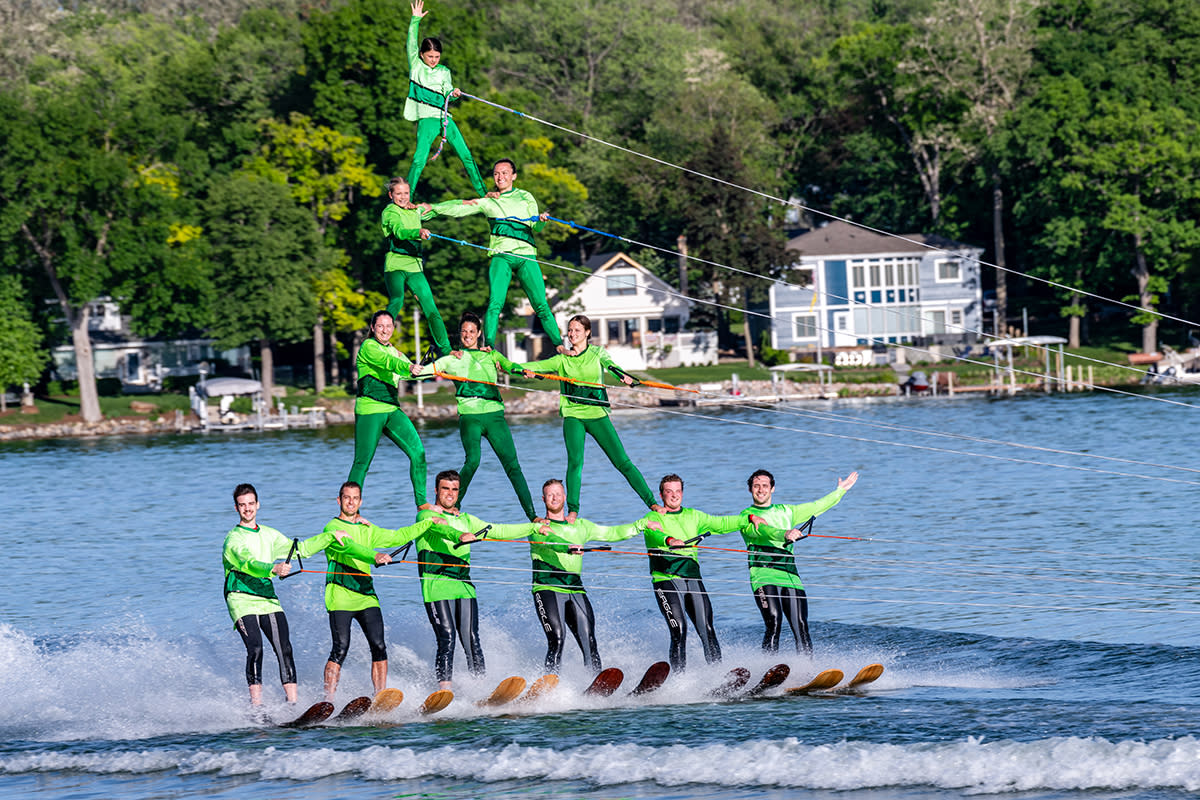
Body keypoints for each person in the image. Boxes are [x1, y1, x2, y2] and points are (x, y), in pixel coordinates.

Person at [463, 478, 662, 674]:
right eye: (550, 495)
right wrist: (568, 547)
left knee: (589, 639)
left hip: (575, 589)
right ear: (543, 499)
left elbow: (612, 533)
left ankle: (595, 682)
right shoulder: (538, 527)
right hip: (547, 589)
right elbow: (553, 540)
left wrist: (641, 525)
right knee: (557, 638)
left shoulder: (581, 526)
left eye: (558, 494)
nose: (555, 498)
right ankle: (550, 684)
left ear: (565, 497)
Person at [222, 483, 375, 706]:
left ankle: (292, 704)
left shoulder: (270, 535)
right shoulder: (233, 540)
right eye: (242, 505)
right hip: (241, 598)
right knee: (255, 648)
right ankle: (256, 707)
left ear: (258, 505)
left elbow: (300, 549)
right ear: (236, 508)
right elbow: (248, 563)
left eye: (251, 504)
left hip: (266, 597)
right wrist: (272, 569)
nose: (247, 509)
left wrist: (330, 536)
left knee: (284, 647)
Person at [520, 314, 661, 521]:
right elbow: (536, 367)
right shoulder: (562, 359)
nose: (572, 334)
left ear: (587, 333)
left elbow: (610, 365)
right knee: (575, 463)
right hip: (573, 416)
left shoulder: (597, 353)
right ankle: (573, 511)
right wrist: (515, 368)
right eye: (569, 330)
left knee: (622, 462)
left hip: (597, 415)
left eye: (577, 330)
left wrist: (623, 376)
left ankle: (652, 503)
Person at [319, 481, 450, 701]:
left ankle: (379, 696)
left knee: (379, 646)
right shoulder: (332, 528)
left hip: (367, 596)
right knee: (340, 648)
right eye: (346, 497)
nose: (350, 502)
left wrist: (426, 524)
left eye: (355, 498)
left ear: (360, 502)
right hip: (340, 597)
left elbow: (397, 536)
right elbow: (351, 547)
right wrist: (375, 556)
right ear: (339, 500)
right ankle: (327, 700)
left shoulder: (367, 528)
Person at [415, 469, 541, 688]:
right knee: (447, 639)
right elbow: (441, 530)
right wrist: (459, 536)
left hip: (464, 587)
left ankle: (480, 688)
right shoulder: (426, 516)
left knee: (472, 640)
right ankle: (444, 691)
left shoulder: (466, 519)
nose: (450, 494)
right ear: (436, 490)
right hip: (436, 587)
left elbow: (499, 530)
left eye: (454, 489)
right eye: (445, 489)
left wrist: (535, 526)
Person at [419, 158, 563, 349]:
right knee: (495, 303)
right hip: (501, 256)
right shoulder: (489, 201)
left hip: (526, 256)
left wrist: (543, 220)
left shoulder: (526, 197)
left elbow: (536, 227)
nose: (500, 176)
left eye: (504, 172)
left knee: (541, 305)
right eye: (496, 173)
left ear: (514, 176)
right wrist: (434, 208)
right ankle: (490, 346)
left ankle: (560, 346)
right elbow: (460, 208)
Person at [410, 311, 537, 520]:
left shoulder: (491, 354)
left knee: (513, 465)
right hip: (470, 417)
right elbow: (424, 371)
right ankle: (453, 508)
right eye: (464, 332)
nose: (467, 335)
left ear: (479, 333)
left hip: (495, 416)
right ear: (459, 334)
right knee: (473, 460)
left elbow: (509, 366)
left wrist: (523, 371)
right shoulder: (451, 359)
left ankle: (533, 516)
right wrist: (411, 369)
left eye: (471, 331)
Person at [641, 474, 763, 672]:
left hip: (693, 580)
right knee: (679, 630)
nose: (674, 495)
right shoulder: (653, 518)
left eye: (678, 491)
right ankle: (679, 681)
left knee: (707, 629)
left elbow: (722, 523)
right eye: (669, 492)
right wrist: (670, 540)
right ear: (661, 495)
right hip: (666, 580)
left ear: (682, 493)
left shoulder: (694, 516)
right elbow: (655, 534)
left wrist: (748, 518)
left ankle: (717, 676)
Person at [740, 469, 859, 654]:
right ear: (750, 490)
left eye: (765, 485)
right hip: (763, 575)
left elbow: (817, 506)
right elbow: (765, 531)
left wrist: (840, 491)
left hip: (790, 575)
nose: (761, 489)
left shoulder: (787, 511)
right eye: (756, 486)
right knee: (774, 621)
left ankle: (807, 670)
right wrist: (785, 533)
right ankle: (767, 669)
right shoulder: (747, 516)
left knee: (801, 625)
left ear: (772, 489)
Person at [404, 0, 487, 199]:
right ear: (422, 55)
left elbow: (447, 91)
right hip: (427, 120)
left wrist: (454, 93)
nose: (434, 60)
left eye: (437, 56)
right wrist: (415, 20)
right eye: (430, 56)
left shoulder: (444, 71)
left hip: (445, 118)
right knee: (418, 160)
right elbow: (411, 43)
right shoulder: (416, 65)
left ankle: (484, 194)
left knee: (466, 155)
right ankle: (407, 197)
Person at [348, 310, 429, 508]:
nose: (385, 330)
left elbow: (413, 373)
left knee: (418, 453)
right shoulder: (368, 346)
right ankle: (348, 509)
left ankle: (422, 504)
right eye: (381, 326)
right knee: (362, 463)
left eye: (389, 326)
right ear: (373, 328)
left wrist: (442, 367)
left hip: (392, 410)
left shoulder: (395, 351)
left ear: (393, 328)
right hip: (370, 410)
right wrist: (408, 367)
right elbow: (389, 363)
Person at [380, 177, 451, 356]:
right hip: (395, 265)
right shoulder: (390, 211)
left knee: (430, 307)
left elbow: (439, 209)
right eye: (398, 194)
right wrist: (417, 232)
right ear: (391, 195)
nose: (403, 197)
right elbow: (399, 231)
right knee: (398, 300)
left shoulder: (414, 210)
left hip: (415, 266)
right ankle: (380, 340)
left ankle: (446, 349)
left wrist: (472, 202)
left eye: (406, 193)